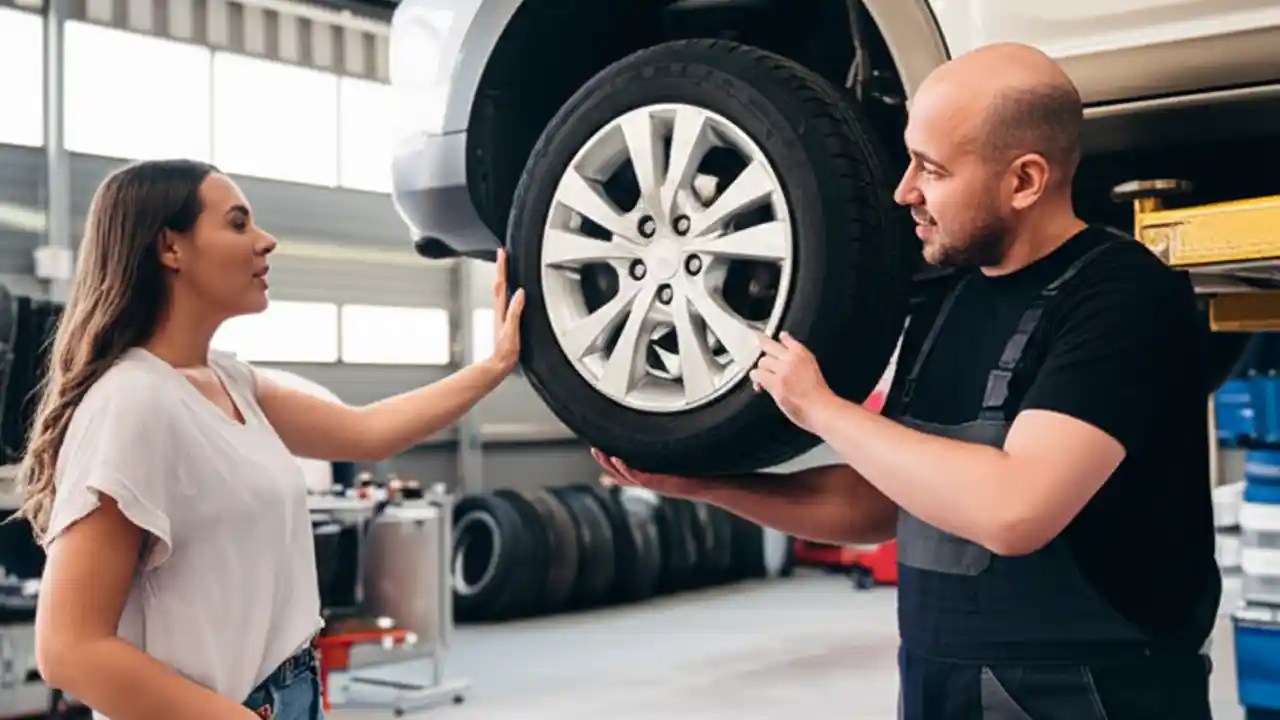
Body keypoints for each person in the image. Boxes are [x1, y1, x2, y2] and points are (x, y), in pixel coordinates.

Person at [594, 42, 1222, 718]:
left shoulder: (1122, 298)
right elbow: (878, 504)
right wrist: (708, 485)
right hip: (938, 686)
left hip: (1094, 696)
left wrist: (821, 408)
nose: (904, 191)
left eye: (933, 169)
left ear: (1024, 181)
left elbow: (1015, 509)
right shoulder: (946, 300)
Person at [10, 158, 526, 719]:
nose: (267, 240)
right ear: (171, 247)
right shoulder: (131, 402)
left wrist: (494, 365)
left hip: (290, 690)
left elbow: (366, 432)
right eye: (238, 224)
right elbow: (70, 649)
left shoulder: (230, 380)